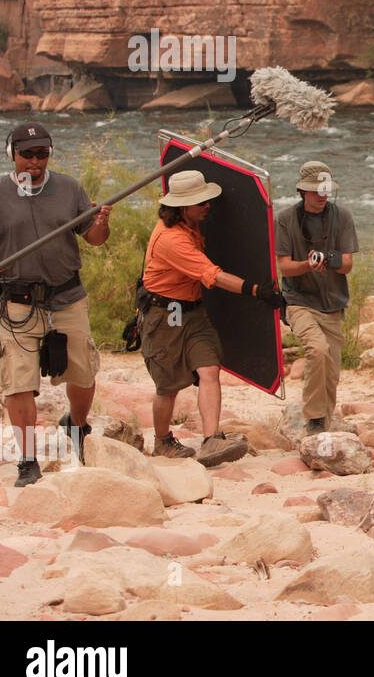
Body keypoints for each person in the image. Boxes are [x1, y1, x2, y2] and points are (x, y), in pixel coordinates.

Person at [0, 122, 112, 486]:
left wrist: (101, 222)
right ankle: (27, 459)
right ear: (12, 154)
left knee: (83, 375)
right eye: (28, 154)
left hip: (68, 297)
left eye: (43, 154)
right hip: (17, 304)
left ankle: (77, 425)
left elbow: (95, 239)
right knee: (18, 385)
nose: (35, 162)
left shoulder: (69, 189)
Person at [140, 170, 285, 467]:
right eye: (201, 201)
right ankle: (162, 441)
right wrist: (257, 290)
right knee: (168, 386)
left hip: (191, 312)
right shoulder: (171, 240)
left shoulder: (191, 226)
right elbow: (214, 276)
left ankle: (210, 440)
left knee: (209, 368)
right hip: (165, 315)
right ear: (182, 207)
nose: (208, 205)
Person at [275, 161, 359, 436]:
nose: (322, 196)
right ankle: (313, 420)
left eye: (325, 191)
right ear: (302, 190)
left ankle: (324, 422)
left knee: (332, 369)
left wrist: (328, 259)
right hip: (298, 300)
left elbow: (346, 264)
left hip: (333, 302)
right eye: (316, 191)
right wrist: (307, 265)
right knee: (317, 350)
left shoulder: (342, 217)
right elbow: (285, 267)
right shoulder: (285, 220)